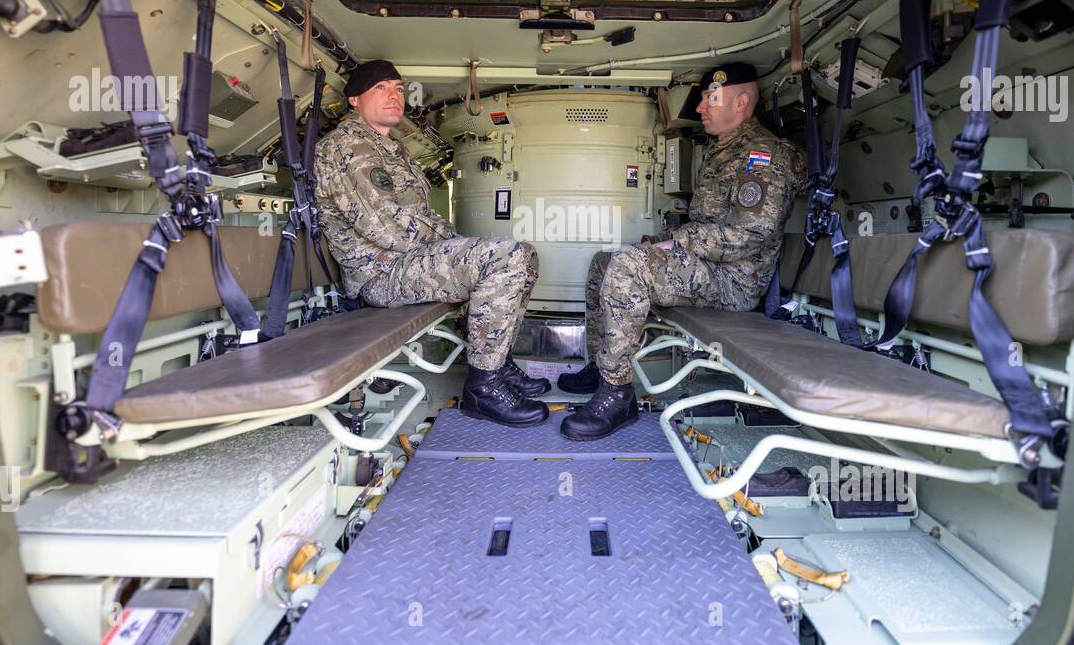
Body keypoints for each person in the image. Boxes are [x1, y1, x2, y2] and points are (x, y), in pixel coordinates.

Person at [558, 62, 807, 441]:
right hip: (706, 268)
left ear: (740, 102)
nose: (701, 107)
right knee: (605, 261)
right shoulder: (722, 150)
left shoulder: (765, 155)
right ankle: (601, 363)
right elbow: (703, 225)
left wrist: (677, 243)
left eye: (710, 98)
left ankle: (617, 391)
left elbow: (749, 234)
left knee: (628, 266)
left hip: (733, 283)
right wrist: (661, 241)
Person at [314, 60, 550, 427]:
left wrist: (453, 244)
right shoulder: (347, 147)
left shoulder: (393, 149)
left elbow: (422, 216)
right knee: (507, 258)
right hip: (381, 273)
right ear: (354, 100)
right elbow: (386, 228)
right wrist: (453, 245)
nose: (394, 96)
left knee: (523, 256)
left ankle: (496, 362)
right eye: (381, 88)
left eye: (398, 88)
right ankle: (483, 388)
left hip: (408, 262)